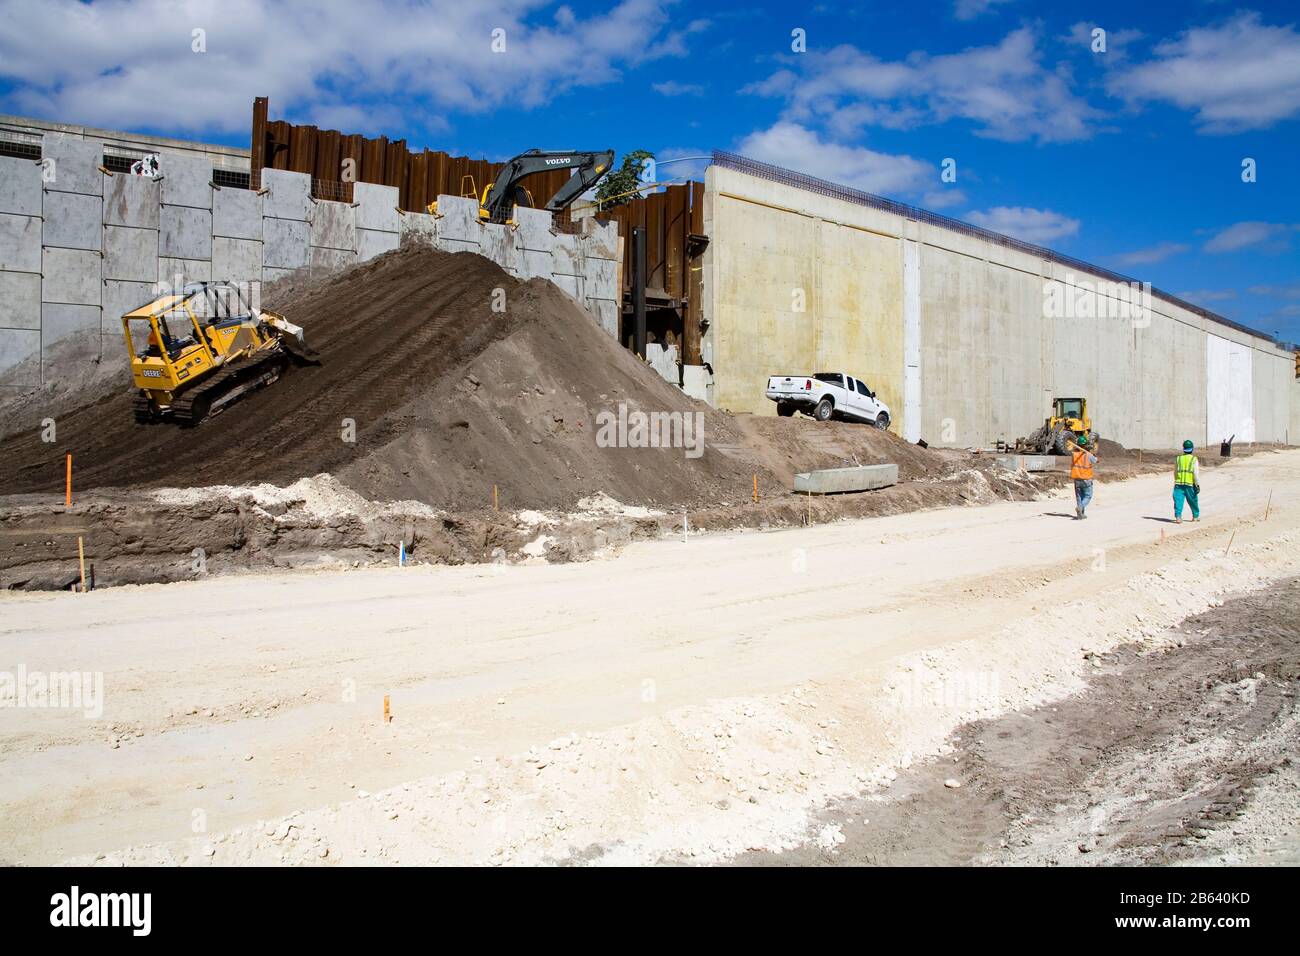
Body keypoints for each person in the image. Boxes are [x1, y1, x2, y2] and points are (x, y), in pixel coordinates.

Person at [1067, 434, 1098, 519]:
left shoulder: (1074, 454)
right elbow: (1095, 461)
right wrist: (1093, 455)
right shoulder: (1088, 455)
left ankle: (1080, 514)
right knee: (1088, 496)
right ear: (1086, 445)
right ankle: (1080, 508)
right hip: (1086, 479)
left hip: (1077, 478)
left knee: (1079, 497)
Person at [1174, 439, 1200, 523]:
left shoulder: (1178, 459)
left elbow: (1175, 471)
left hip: (1179, 484)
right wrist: (1197, 484)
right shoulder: (1194, 459)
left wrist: (1176, 479)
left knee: (1178, 501)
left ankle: (1178, 517)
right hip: (1190, 484)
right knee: (1193, 500)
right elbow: (1195, 474)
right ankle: (1195, 517)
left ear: (1183, 448)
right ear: (1192, 449)